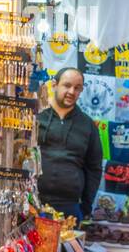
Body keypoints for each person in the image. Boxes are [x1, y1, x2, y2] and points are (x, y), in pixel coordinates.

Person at [36, 67, 104, 221]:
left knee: (66, 246)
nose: (72, 92)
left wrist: (85, 206)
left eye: (77, 88)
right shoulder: (37, 118)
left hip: (70, 208)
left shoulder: (87, 125)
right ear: (54, 85)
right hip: (34, 202)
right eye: (67, 85)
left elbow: (94, 168)